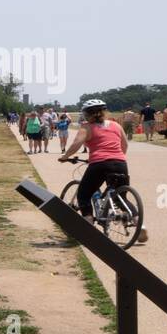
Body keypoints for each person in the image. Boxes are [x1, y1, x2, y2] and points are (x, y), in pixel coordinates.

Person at [59, 99, 147, 243]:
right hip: (120, 163)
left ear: (87, 114)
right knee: (121, 198)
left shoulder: (86, 127)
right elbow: (124, 145)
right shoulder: (116, 125)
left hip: (99, 164)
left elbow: (76, 144)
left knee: (84, 194)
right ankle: (140, 225)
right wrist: (116, 159)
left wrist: (65, 156)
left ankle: (88, 224)